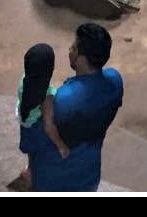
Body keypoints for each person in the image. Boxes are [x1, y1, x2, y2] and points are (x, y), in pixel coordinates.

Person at [18, 23, 124, 192]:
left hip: (52, 180)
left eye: (73, 48)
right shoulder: (115, 81)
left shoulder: (60, 102)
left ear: (82, 59)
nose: (69, 50)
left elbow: (29, 143)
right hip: (89, 174)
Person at [13, 43, 71, 190]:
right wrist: (61, 146)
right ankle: (36, 179)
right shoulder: (47, 95)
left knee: (32, 152)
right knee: (41, 154)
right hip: (37, 130)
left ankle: (29, 170)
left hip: (25, 126)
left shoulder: (24, 80)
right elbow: (48, 126)